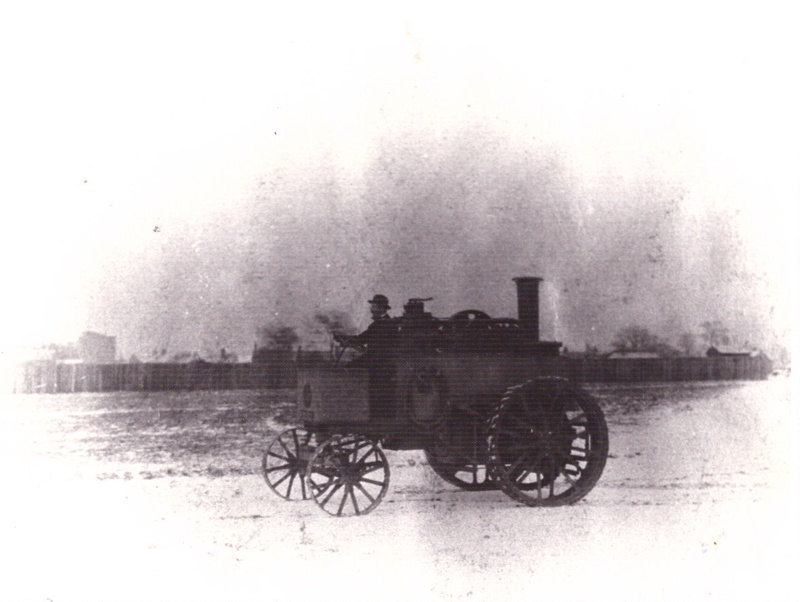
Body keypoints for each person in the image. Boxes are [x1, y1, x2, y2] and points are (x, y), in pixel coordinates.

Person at [333, 294, 397, 420]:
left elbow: (362, 340)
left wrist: (344, 338)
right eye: (371, 306)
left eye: (373, 306)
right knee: (352, 368)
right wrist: (344, 338)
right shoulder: (382, 324)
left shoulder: (382, 324)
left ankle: (356, 409)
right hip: (378, 360)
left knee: (349, 369)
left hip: (379, 362)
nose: (371, 309)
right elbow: (362, 340)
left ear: (381, 308)